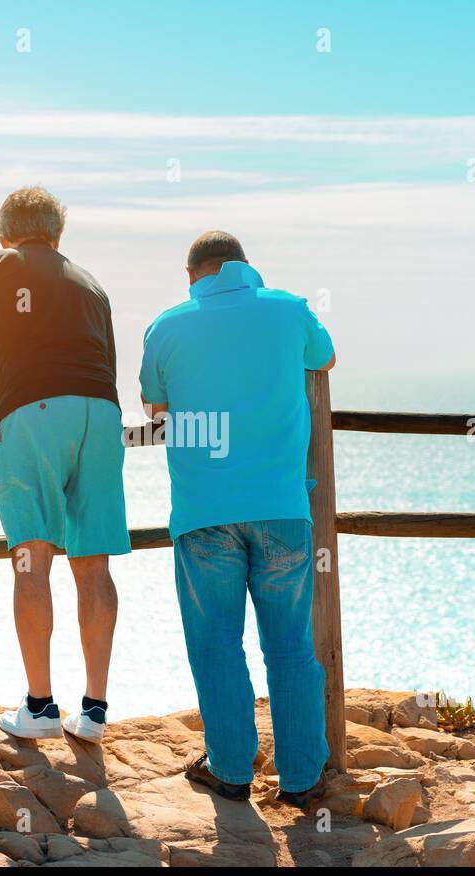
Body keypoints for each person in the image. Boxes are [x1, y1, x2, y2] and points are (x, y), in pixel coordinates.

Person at [139, 230, 337, 809]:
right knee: (292, 646)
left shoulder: (166, 326)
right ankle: (302, 779)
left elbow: (156, 410)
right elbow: (324, 358)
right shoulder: (289, 308)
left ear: (191, 274)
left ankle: (230, 770)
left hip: (204, 512)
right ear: (247, 267)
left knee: (217, 644)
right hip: (281, 506)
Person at [0, 186, 128, 744]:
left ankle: (41, 708)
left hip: (34, 415)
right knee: (93, 565)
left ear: (4, 235)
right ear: (58, 236)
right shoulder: (90, 283)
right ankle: (93, 713)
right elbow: (103, 364)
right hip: (100, 413)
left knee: (31, 561)